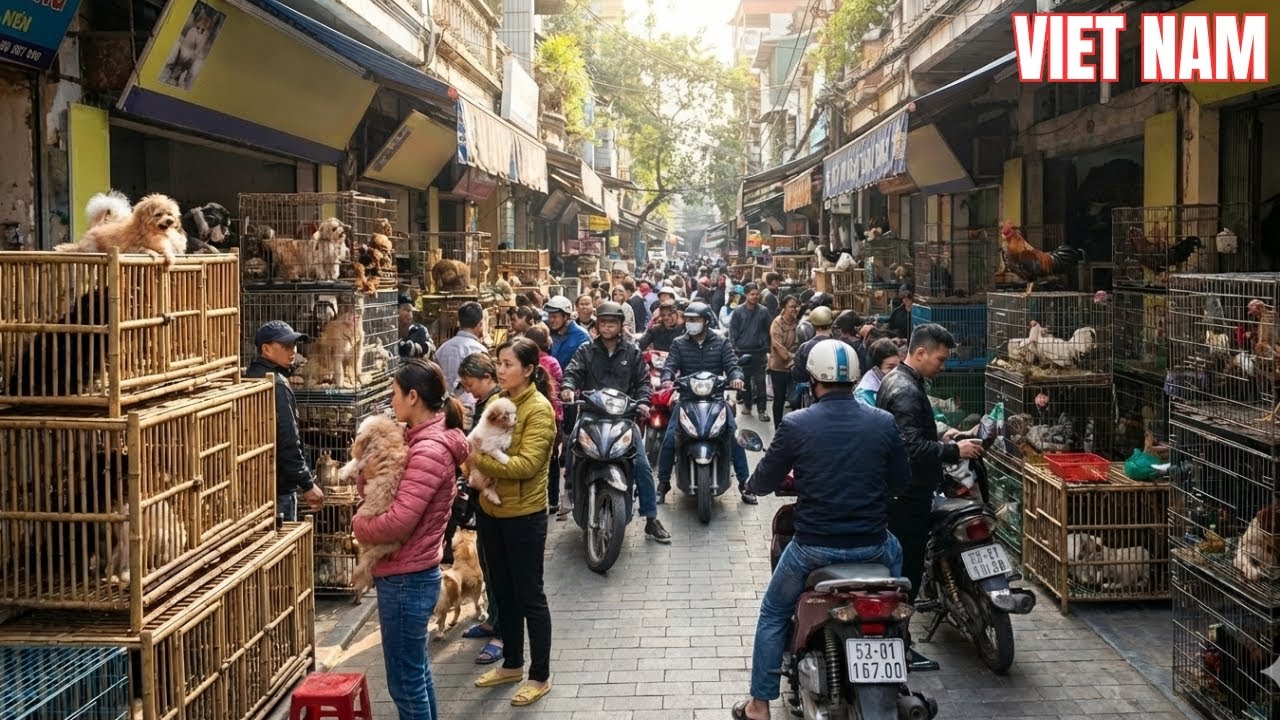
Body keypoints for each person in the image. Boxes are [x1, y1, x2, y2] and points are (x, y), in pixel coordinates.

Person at [732, 339, 908, 720]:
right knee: (900, 595)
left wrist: (752, 486)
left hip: (814, 548)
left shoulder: (796, 423)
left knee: (774, 613)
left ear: (813, 380)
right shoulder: (882, 421)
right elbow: (900, 482)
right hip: (875, 546)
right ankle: (901, 654)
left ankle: (760, 704)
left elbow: (764, 479)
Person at [352, 359, 469, 720]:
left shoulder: (429, 450)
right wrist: (366, 476)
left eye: (394, 394)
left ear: (413, 397)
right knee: (415, 674)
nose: (391, 401)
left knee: (405, 683)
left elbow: (399, 521)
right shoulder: (417, 439)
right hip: (409, 572)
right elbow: (378, 487)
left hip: (407, 576)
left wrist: (359, 524)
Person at [876, 323, 984, 672]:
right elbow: (910, 447)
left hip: (905, 491)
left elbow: (914, 432)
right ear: (919, 353)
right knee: (904, 573)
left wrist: (945, 435)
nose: (943, 365)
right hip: (906, 497)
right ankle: (899, 646)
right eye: (940, 359)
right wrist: (955, 450)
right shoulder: (905, 388)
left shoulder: (904, 382)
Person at [471, 338, 557, 707]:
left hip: (524, 517)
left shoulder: (539, 410)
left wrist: (479, 462)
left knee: (530, 596)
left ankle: (539, 675)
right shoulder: (494, 401)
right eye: (499, 363)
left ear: (528, 369)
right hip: (491, 514)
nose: (500, 370)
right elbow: (477, 443)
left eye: (507, 364)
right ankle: (511, 664)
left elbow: (526, 466)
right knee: (502, 593)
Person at [559, 302, 671, 542]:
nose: (607, 327)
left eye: (612, 323)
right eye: (603, 322)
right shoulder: (585, 350)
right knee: (570, 447)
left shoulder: (632, 352)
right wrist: (568, 388)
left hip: (624, 418)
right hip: (591, 415)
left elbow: (643, 382)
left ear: (621, 326)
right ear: (597, 325)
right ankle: (568, 492)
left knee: (641, 464)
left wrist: (642, 401)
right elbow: (573, 372)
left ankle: (651, 518)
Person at [655, 302, 754, 504]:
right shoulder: (678, 343)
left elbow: (732, 365)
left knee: (734, 436)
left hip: (716, 398)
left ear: (706, 322)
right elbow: (670, 365)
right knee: (669, 439)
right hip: (687, 399)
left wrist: (736, 377)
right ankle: (663, 484)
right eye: (689, 319)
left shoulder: (721, 343)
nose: (691, 323)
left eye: (696, 320)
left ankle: (745, 484)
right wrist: (666, 377)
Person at [454, 353, 506, 665]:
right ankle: (493, 621)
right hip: (482, 494)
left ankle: (502, 631)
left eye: (470, 383)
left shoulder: (497, 405)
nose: (469, 390)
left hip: (495, 494)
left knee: (499, 569)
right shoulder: (486, 403)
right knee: (487, 561)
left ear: (487, 377)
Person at [245, 321, 323, 521]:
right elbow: (288, 438)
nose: (293, 351)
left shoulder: (249, 377)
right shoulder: (278, 384)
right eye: (286, 346)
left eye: (294, 346)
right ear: (266, 349)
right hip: (278, 485)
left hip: (251, 483)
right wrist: (307, 483)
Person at [524, 327, 565, 513]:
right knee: (552, 458)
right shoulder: (552, 362)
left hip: (530, 414)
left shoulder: (525, 363)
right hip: (554, 416)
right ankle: (553, 499)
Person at [433, 302, 488, 414]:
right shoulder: (479, 350)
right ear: (480, 324)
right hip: (471, 410)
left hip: (446, 410)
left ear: (459, 323)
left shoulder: (441, 349)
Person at [730, 283, 773, 422]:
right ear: (746, 295)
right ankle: (748, 405)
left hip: (759, 352)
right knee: (745, 382)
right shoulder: (738, 312)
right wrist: (733, 347)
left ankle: (762, 410)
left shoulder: (763, 311)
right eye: (752, 294)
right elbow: (733, 331)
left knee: (760, 383)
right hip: (742, 352)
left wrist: (767, 347)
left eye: (756, 294)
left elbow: (769, 330)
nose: (755, 296)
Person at [789, 306, 834, 408]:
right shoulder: (839, 345)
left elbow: (798, 376)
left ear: (812, 324)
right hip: (836, 396)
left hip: (812, 397)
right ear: (831, 323)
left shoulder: (804, 347)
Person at [767, 296, 800, 429]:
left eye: (796, 306)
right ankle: (778, 429)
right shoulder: (777, 323)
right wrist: (794, 357)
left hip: (794, 366)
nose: (795, 309)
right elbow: (777, 345)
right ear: (784, 308)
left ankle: (794, 428)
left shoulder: (797, 321)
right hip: (779, 367)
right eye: (791, 306)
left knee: (795, 399)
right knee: (779, 399)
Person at [855, 338, 903, 407]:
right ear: (876, 368)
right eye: (890, 367)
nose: (896, 371)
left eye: (898, 366)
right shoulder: (865, 395)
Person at [546, 296, 590, 371]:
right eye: (549, 316)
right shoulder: (549, 333)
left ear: (565, 316)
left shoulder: (582, 336)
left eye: (554, 317)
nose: (551, 320)